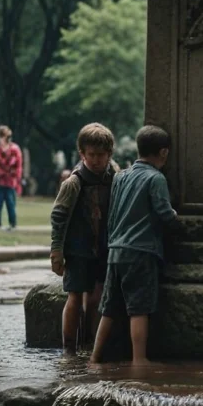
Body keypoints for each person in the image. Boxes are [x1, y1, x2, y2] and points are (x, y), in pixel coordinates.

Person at [91, 125, 178, 367]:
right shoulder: (156, 178)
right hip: (141, 252)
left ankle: (94, 358)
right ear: (163, 153)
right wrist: (176, 217)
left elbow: (112, 214)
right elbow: (164, 213)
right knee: (138, 308)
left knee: (109, 308)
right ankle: (139, 360)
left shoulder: (120, 177)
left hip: (116, 250)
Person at [50, 123, 118, 354]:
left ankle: (90, 345)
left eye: (101, 155)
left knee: (97, 297)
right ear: (82, 154)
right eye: (91, 155)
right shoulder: (74, 182)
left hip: (104, 247)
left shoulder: (115, 178)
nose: (96, 160)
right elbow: (59, 217)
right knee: (75, 297)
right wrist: (56, 251)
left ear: (109, 154)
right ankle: (69, 348)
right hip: (78, 249)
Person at [0, 126, 23, 231]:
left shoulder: (14, 149)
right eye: (1, 135)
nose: (3, 138)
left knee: (10, 203)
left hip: (10, 181)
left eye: (4, 136)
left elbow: (18, 165)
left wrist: (17, 178)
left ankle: (13, 224)